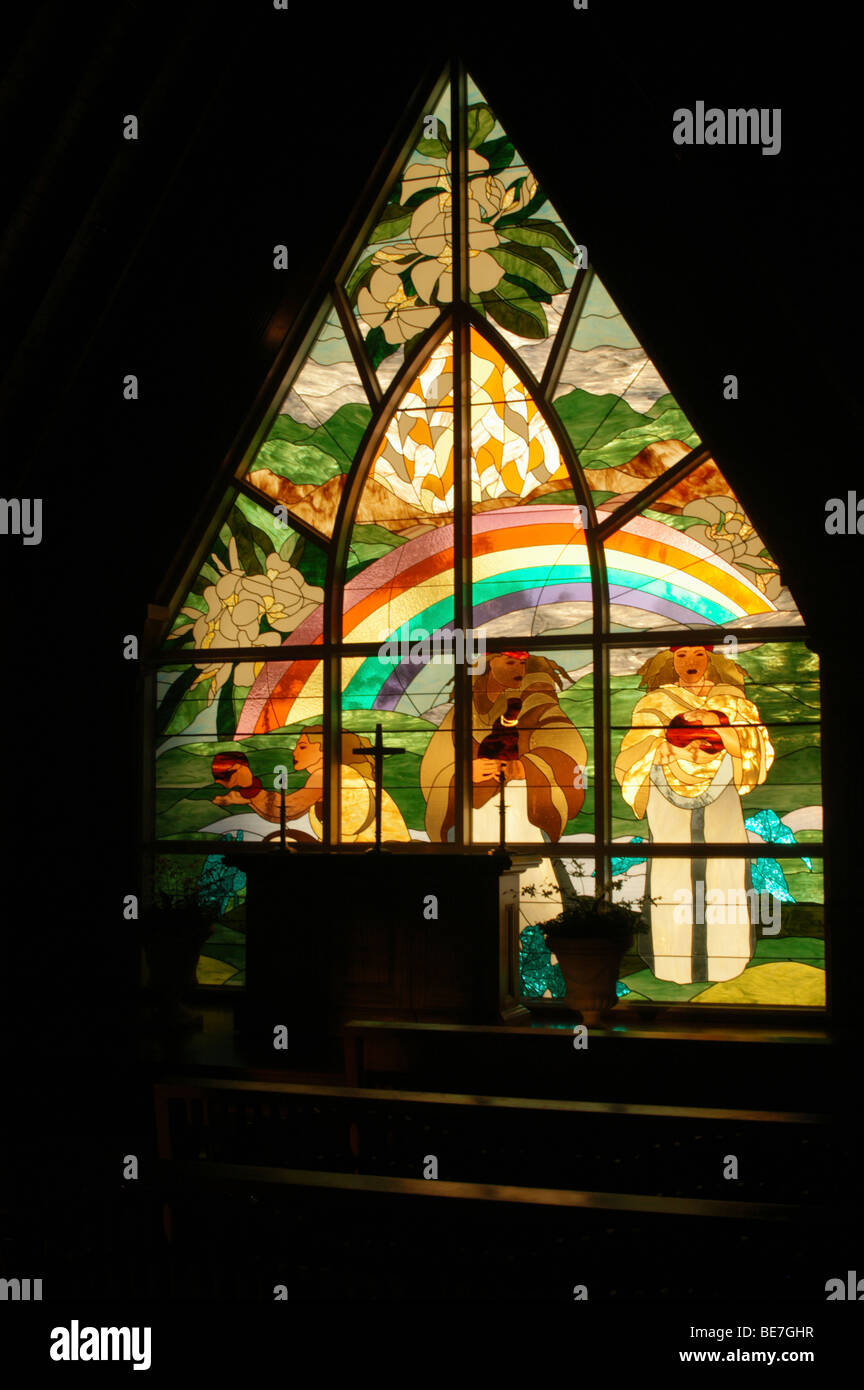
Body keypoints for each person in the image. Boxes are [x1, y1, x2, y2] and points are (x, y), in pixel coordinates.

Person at [614, 644, 774, 984]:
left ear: (711, 658)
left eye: (699, 654)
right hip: (666, 798)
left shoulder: (733, 701)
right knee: (671, 871)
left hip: (723, 798)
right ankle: (673, 962)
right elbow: (633, 751)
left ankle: (726, 960)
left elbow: (753, 749)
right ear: (670, 661)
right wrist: (659, 748)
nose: (690, 662)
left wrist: (720, 729)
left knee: (725, 869)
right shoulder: (654, 703)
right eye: (682, 655)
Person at [212, 728, 411, 843]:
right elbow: (282, 814)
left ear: (323, 751)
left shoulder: (330, 774)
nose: (294, 752)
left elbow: (286, 809)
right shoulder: (326, 778)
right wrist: (246, 796)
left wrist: (249, 785)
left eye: (303, 746)